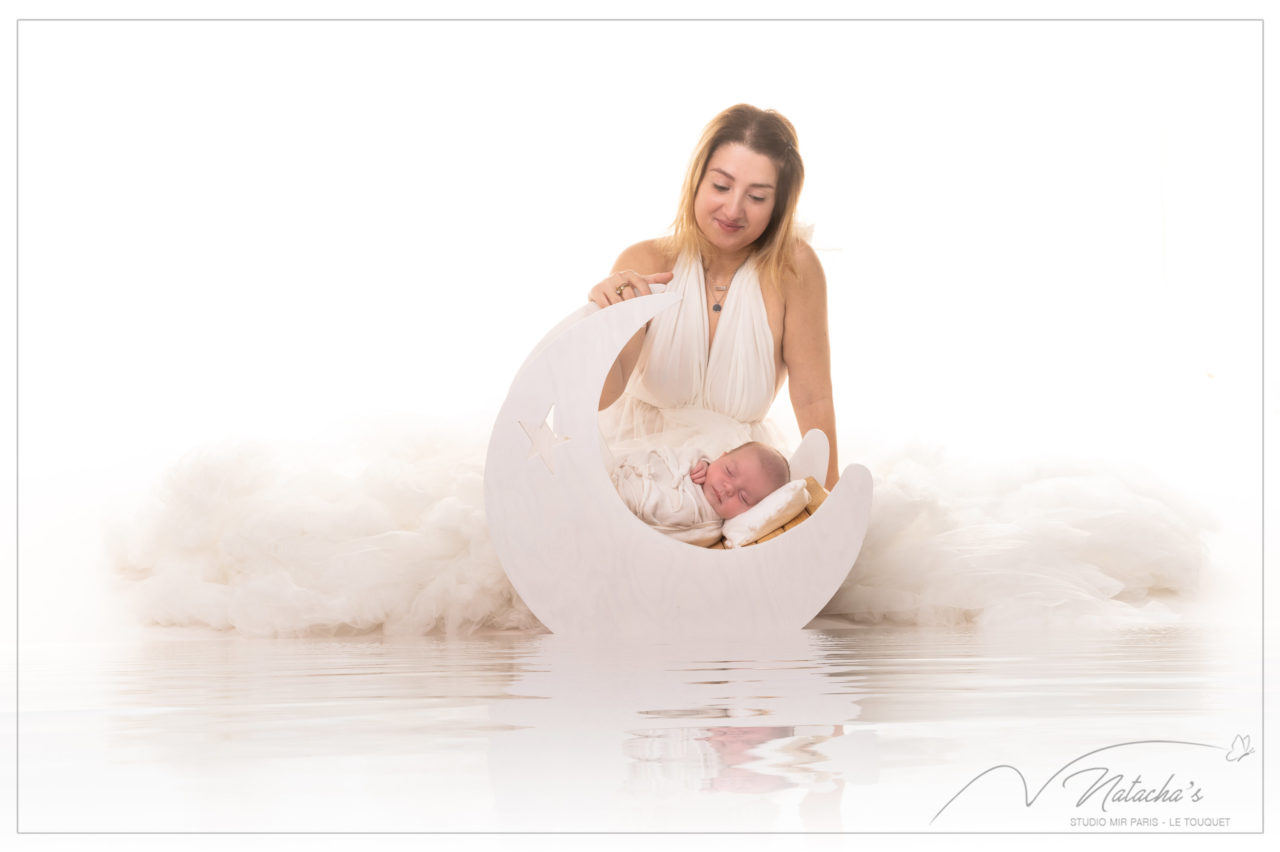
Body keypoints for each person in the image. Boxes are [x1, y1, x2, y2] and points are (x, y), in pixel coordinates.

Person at [587, 104, 840, 490]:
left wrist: (831, 500)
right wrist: (598, 324)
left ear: (778, 205)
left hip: (734, 488)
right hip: (634, 470)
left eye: (757, 197)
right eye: (721, 186)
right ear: (697, 181)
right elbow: (602, 395)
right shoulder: (643, 261)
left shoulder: (794, 270)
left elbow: (813, 399)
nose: (733, 209)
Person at [611, 441, 791, 546]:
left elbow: (675, 540)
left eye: (743, 497)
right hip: (624, 473)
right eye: (729, 471)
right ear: (721, 457)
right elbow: (673, 454)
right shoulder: (700, 465)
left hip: (625, 507)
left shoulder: (710, 527)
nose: (728, 488)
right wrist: (703, 462)